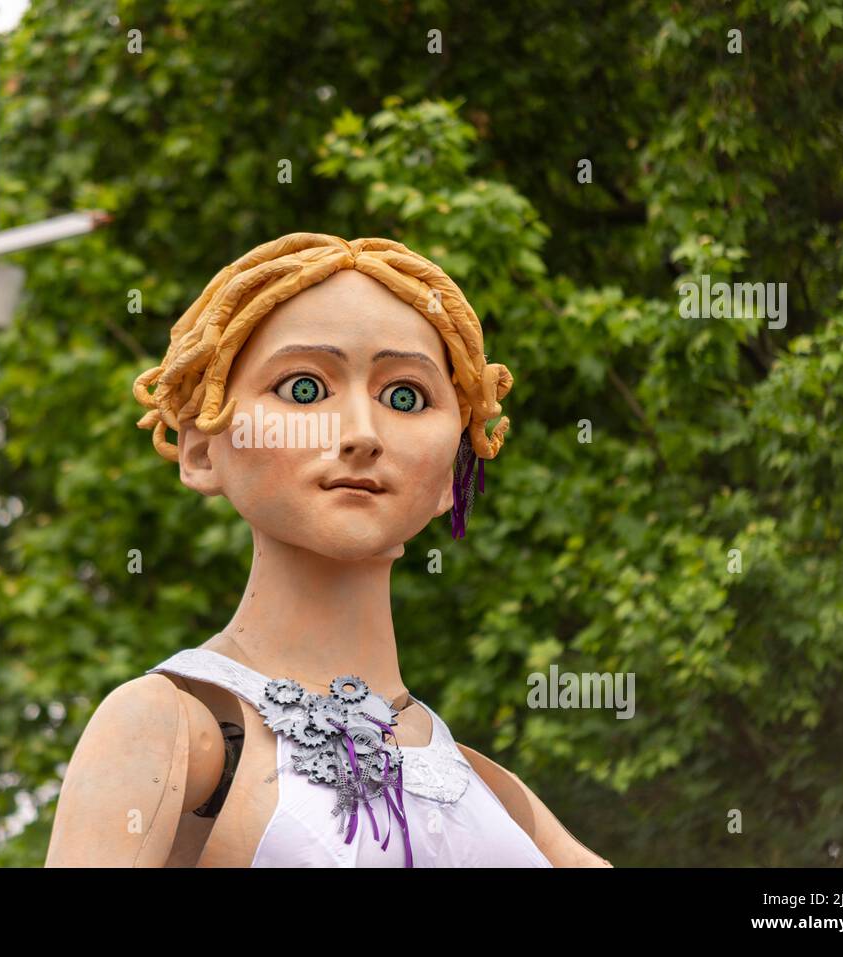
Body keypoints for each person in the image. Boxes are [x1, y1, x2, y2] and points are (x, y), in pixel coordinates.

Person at [46, 233, 612, 867]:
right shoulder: (171, 725)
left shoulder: (498, 796)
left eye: (406, 397)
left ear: (456, 469)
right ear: (201, 448)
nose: (361, 435)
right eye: (305, 390)